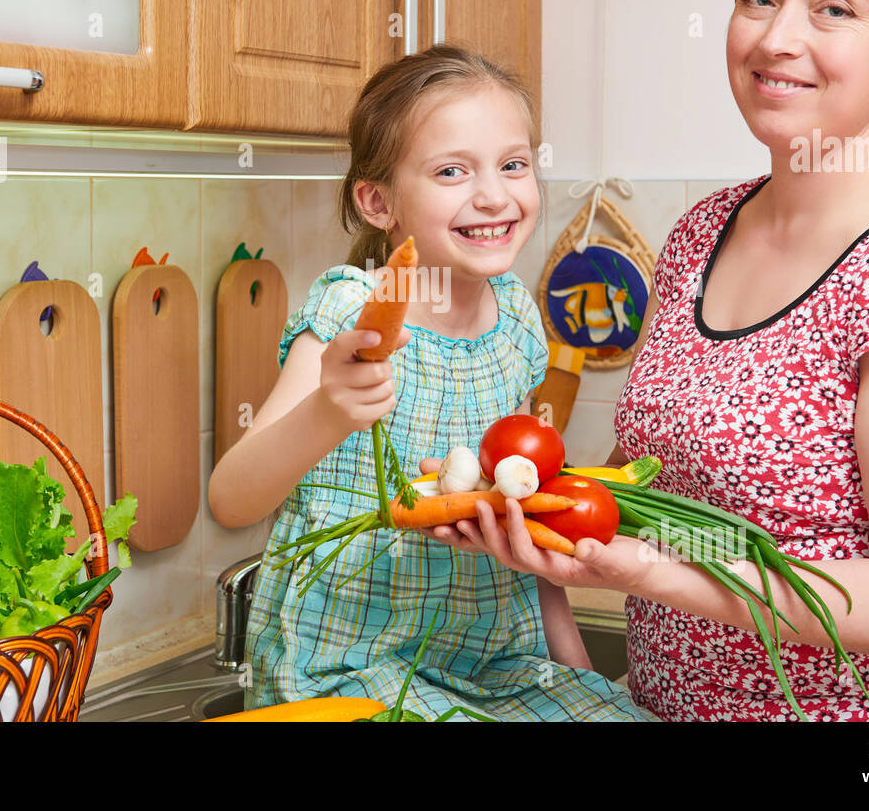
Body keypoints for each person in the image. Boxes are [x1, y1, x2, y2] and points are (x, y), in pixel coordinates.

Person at [425, 0, 869, 721]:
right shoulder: (704, 231)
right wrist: (541, 505)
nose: (775, 37)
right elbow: (684, 492)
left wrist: (655, 573)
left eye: (832, 8)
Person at [208, 45, 654, 720]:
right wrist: (328, 412)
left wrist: (581, 677)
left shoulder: (518, 324)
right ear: (378, 201)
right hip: (346, 671)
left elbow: (525, 517)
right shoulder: (347, 315)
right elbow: (231, 497)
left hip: (495, 662)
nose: (494, 194)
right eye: (452, 171)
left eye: (514, 164)